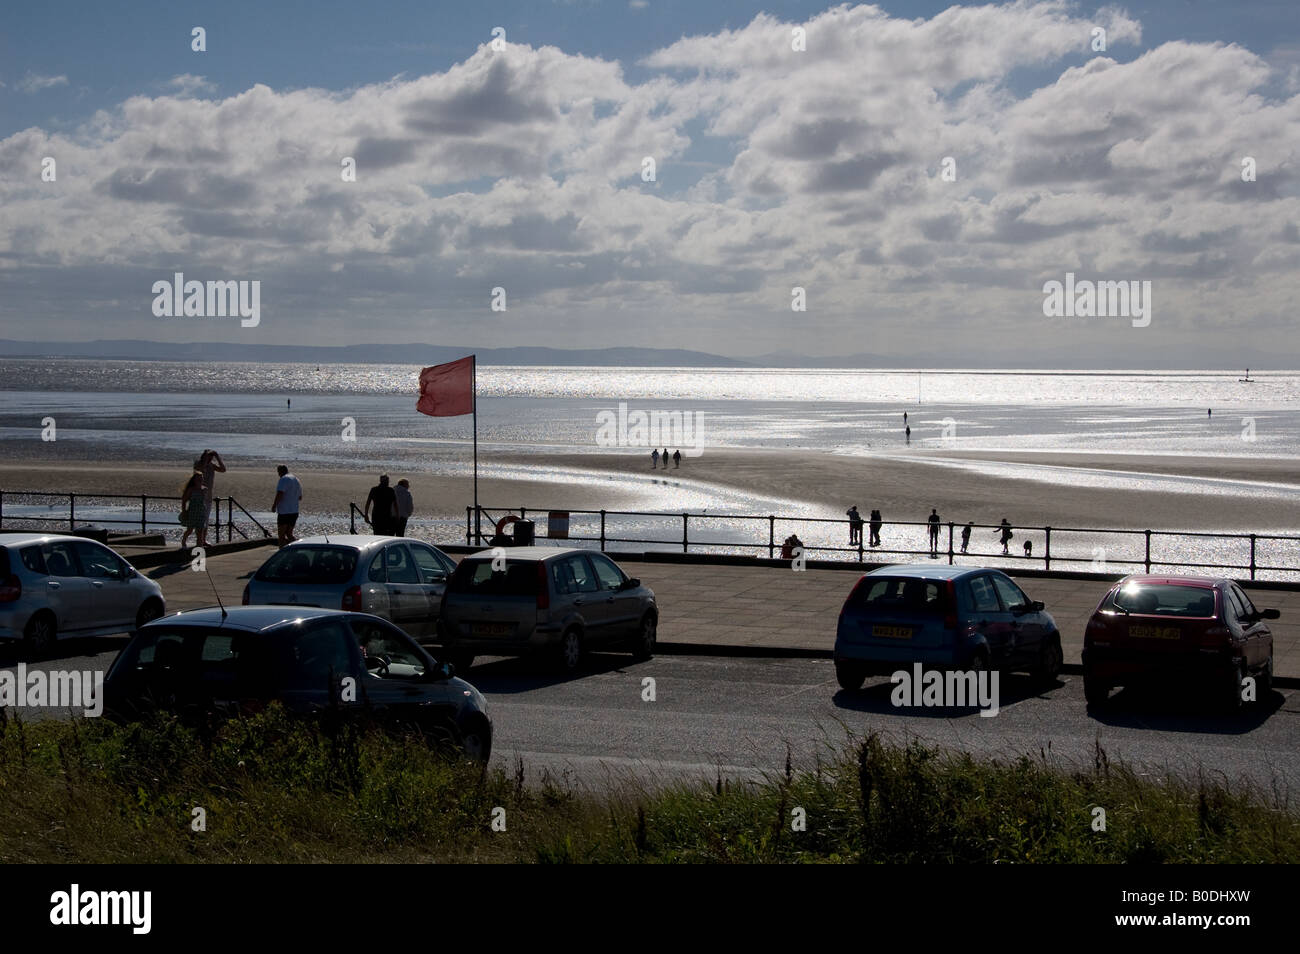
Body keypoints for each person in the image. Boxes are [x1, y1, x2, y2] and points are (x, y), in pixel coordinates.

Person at [199, 449, 226, 546]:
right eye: (209, 457)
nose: (210, 459)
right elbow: (200, 470)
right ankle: (199, 540)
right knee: (200, 519)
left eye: (211, 457)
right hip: (199, 496)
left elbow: (223, 469)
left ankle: (203, 540)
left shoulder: (211, 465)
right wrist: (206, 459)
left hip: (208, 496)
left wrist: (217, 457)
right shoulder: (199, 464)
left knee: (206, 519)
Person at [272, 464, 302, 548]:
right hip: (294, 511)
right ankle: (298, 548)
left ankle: (282, 553)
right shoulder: (296, 479)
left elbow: (280, 493)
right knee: (289, 534)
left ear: (281, 471)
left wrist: (274, 505)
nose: (278, 474)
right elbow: (300, 497)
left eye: (278, 472)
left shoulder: (283, 479)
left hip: (285, 512)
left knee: (281, 536)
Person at [179, 461, 205, 549]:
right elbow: (184, 500)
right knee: (190, 530)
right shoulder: (191, 489)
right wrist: (184, 511)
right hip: (192, 511)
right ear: (194, 480)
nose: (200, 480)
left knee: (200, 531)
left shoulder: (204, 489)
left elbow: (205, 500)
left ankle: (199, 546)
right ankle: (183, 541)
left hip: (201, 511)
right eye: (198, 479)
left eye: (201, 478)